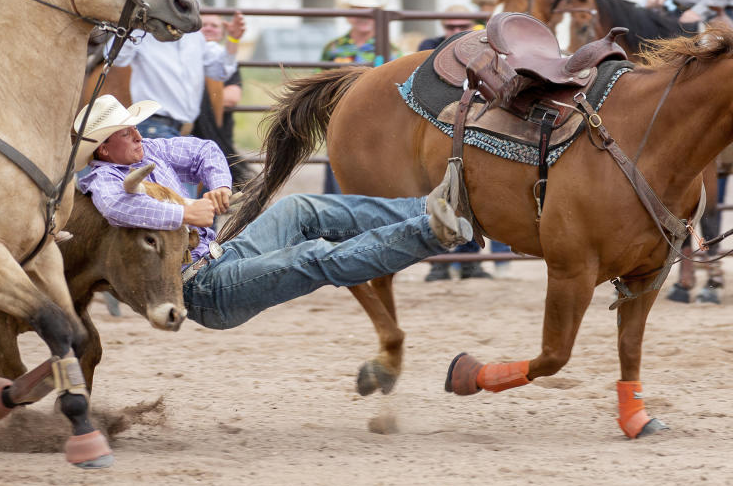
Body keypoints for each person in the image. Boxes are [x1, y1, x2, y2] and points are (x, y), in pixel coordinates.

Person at [76, 97, 473, 331]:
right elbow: (116, 207)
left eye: (134, 128)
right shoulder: (102, 181)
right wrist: (183, 214)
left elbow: (204, 152)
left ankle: (427, 206)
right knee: (311, 256)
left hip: (220, 259)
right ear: (103, 150)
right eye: (126, 133)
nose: (138, 135)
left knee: (297, 207)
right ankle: (432, 232)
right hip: (199, 290)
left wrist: (219, 186)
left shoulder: (152, 153)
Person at [111, 0, 244, 142]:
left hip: (180, 128)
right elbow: (117, 57)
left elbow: (220, 71)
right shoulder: (143, 34)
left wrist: (233, 39)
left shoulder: (194, 37)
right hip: (155, 126)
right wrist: (132, 25)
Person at [416, 5, 494, 280]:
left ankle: (471, 261)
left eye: (461, 26)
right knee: (435, 192)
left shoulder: (485, 50)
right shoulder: (430, 48)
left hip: (471, 126)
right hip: (439, 126)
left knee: (470, 191)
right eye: (450, 27)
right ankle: (439, 262)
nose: (455, 32)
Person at [320, 0, 399, 192]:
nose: (363, 17)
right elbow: (321, 82)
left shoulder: (391, 50)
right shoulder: (333, 48)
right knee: (339, 170)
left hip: (375, 120)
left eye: (368, 12)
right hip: (339, 115)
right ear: (349, 15)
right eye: (357, 11)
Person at [194, 11, 254, 188]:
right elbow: (222, 95)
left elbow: (232, 97)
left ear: (222, 32)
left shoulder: (224, 58)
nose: (209, 29)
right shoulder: (188, 55)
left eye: (214, 25)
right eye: (204, 24)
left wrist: (193, 95)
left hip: (217, 130)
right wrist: (213, 91)